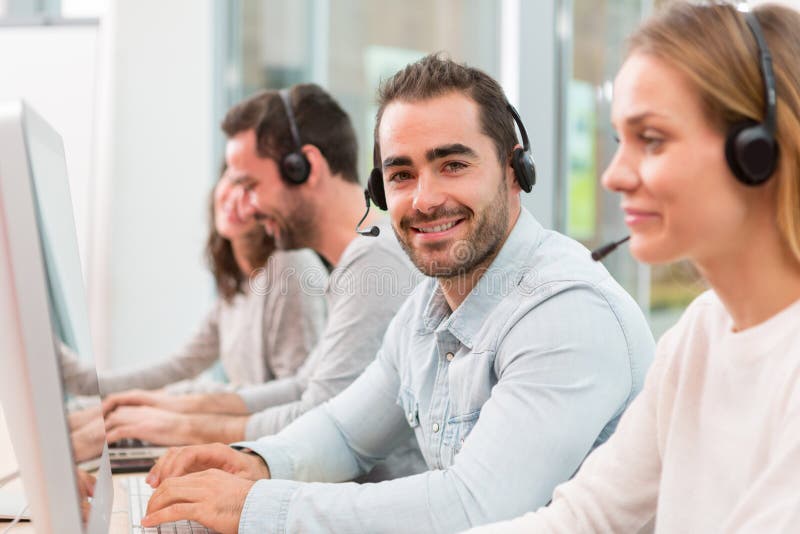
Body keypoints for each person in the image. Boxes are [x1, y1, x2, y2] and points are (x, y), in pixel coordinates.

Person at [137, 55, 655, 533]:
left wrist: (258, 507)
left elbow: (474, 508)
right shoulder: (426, 309)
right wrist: (257, 462)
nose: (424, 200)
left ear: (514, 171)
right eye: (402, 174)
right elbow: (344, 432)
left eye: (453, 165)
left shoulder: (566, 312)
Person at [467, 2, 800, 532]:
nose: (613, 176)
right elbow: (587, 516)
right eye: (623, 141)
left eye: (652, 140)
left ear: (758, 151)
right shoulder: (698, 335)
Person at [101, 85, 424, 461]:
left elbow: (317, 419)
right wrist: (175, 408)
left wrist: (179, 427)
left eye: (251, 185)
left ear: (305, 168)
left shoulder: (375, 261)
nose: (248, 208)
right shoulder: (357, 263)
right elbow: (301, 387)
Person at [61, 168, 327, 398]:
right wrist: (89, 384)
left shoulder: (291, 267)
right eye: (234, 179)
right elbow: (180, 367)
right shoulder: (239, 285)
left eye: (251, 187)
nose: (236, 196)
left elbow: (297, 398)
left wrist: (192, 397)